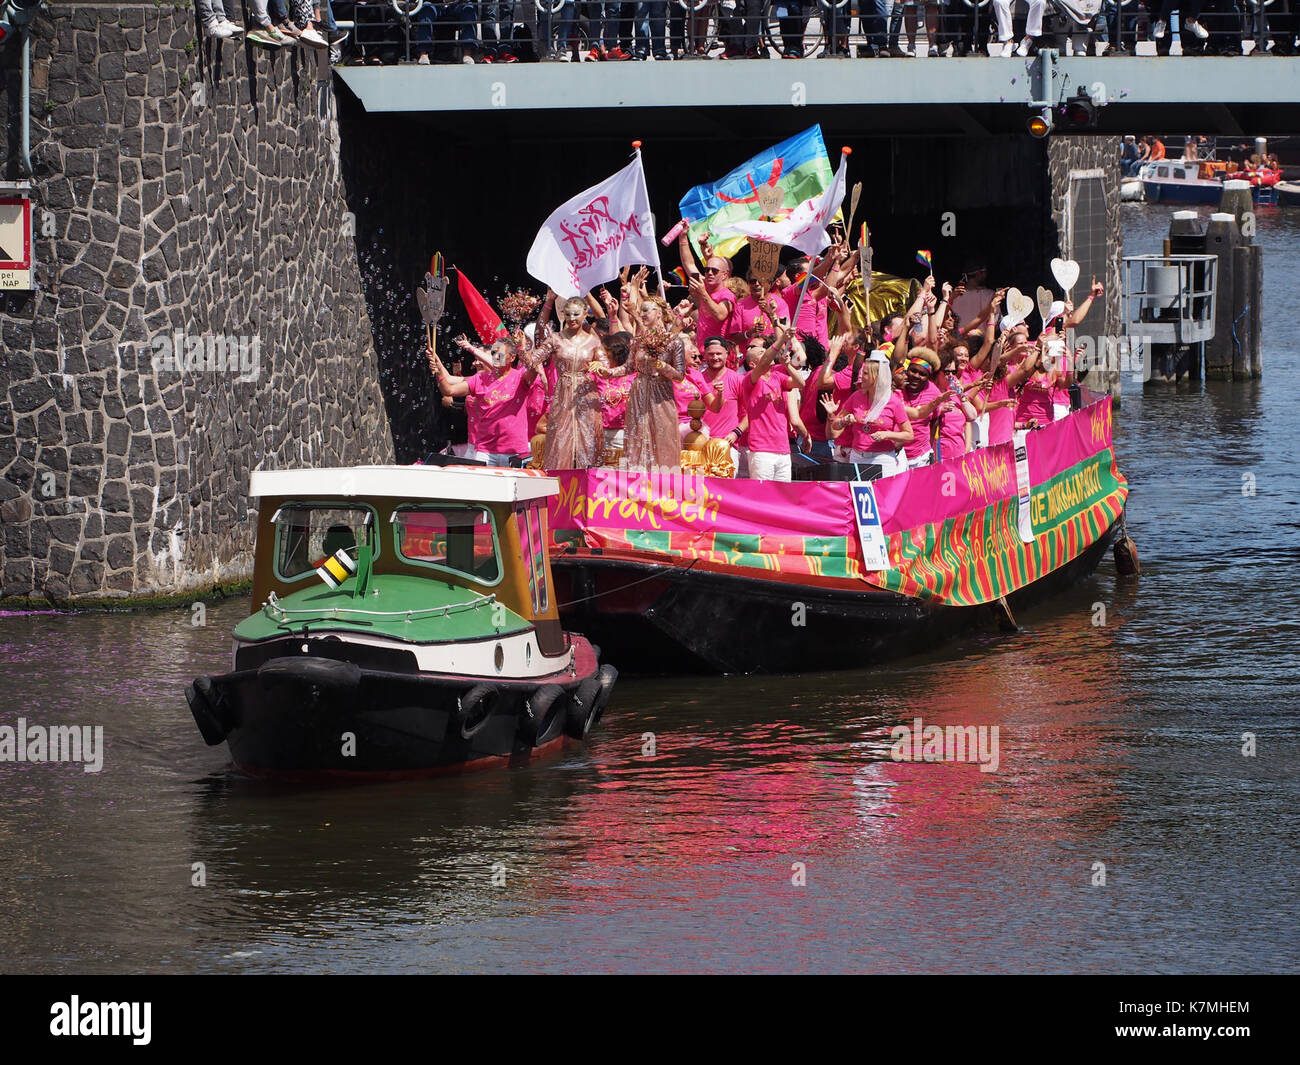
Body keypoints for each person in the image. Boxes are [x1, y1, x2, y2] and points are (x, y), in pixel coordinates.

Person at [428, 335, 539, 466]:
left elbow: (534, 368)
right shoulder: (479, 379)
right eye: (494, 353)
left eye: (500, 354)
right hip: (485, 451)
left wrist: (524, 350)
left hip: (514, 451)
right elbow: (449, 391)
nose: (496, 356)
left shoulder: (520, 377)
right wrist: (438, 372)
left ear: (512, 357)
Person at [738, 312, 809, 482]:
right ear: (753, 363)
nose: (768, 354)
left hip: (783, 449)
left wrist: (787, 365)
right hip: (762, 450)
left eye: (766, 351)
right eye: (763, 352)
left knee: (783, 497)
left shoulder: (777, 377)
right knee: (763, 497)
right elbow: (766, 361)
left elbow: (800, 383)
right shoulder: (750, 380)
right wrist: (781, 339)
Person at [535, 293, 604, 469]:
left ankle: (588, 486)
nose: (572, 318)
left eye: (576, 314)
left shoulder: (594, 341)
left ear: (585, 314)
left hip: (586, 395)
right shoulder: (555, 339)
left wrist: (600, 367)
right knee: (560, 441)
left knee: (587, 442)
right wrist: (521, 349)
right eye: (568, 314)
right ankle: (560, 488)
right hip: (563, 395)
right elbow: (533, 360)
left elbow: (606, 369)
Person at [825, 351, 912, 477]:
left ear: (875, 376)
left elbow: (909, 434)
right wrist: (844, 420)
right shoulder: (856, 397)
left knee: (884, 496)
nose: (861, 377)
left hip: (884, 459)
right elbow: (835, 426)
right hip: (858, 457)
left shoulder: (893, 401)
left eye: (865, 373)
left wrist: (887, 434)